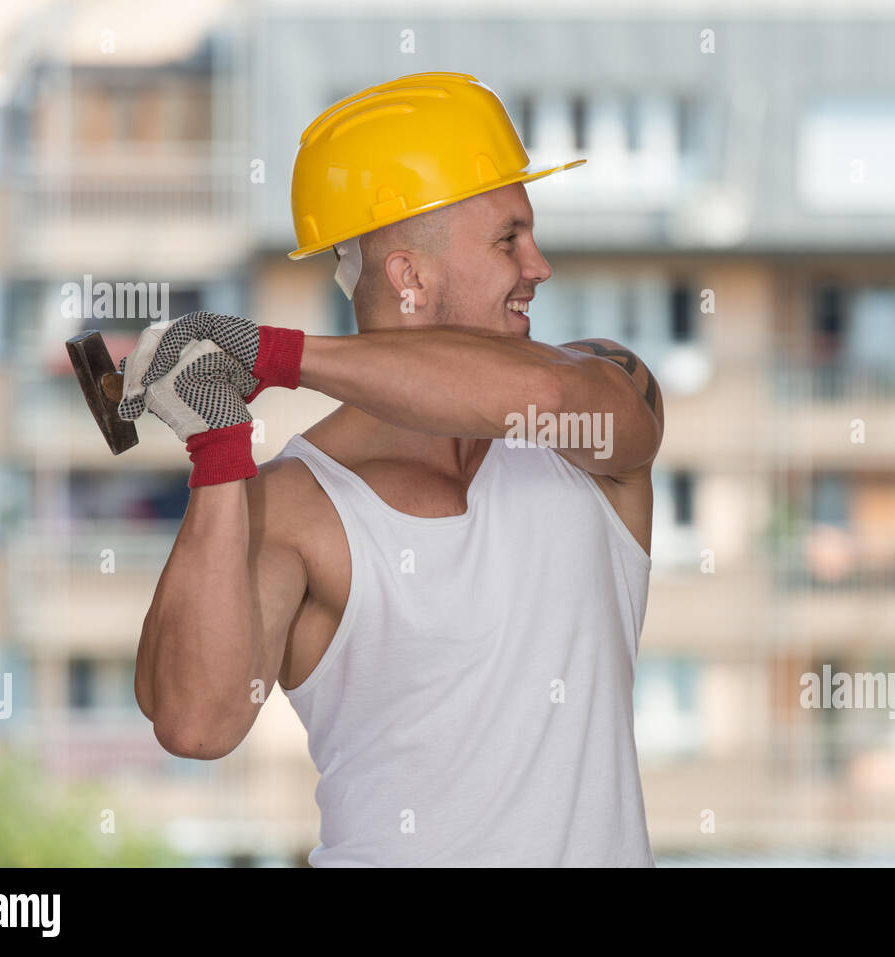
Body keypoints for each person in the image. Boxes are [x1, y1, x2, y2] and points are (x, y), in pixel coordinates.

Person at [119, 72, 664, 866]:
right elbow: (196, 723)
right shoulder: (294, 505)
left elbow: (545, 392)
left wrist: (274, 354)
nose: (539, 266)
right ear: (409, 276)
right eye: (508, 239)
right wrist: (218, 445)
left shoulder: (598, 402)